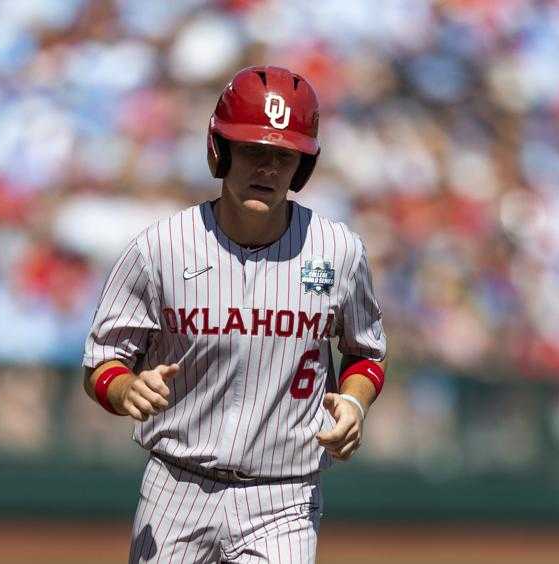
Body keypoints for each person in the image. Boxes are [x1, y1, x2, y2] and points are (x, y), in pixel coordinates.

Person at [81, 65, 387, 564]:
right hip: (177, 487)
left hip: (284, 497)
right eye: (252, 150)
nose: (266, 168)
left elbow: (365, 354)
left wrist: (353, 405)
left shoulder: (338, 252)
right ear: (219, 151)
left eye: (282, 156)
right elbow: (103, 359)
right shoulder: (161, 248)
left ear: (302, 167)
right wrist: (124, 388)